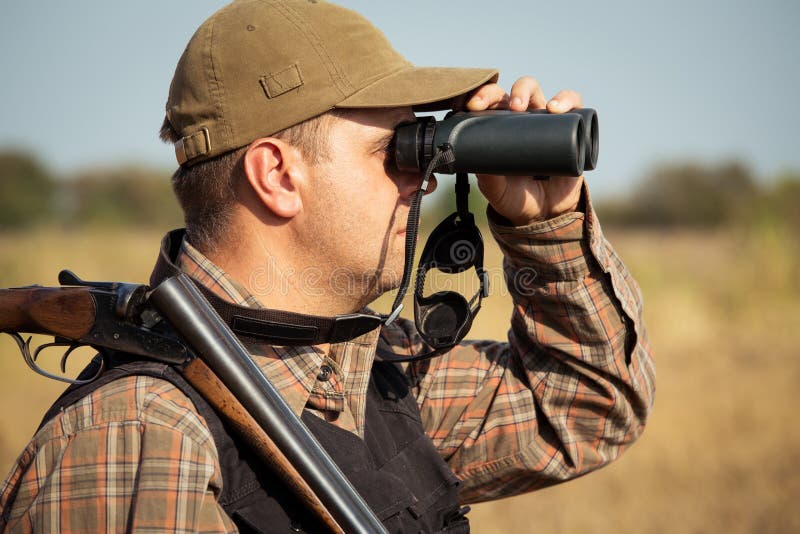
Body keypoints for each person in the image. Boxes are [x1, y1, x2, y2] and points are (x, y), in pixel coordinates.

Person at [0, 1, 655, 532]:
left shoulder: (368, 377)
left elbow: (584, 406)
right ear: (278, 175)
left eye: (419, 146)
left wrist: (544, 222)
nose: (422, 181)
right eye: (395, 151)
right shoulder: (141, 434)